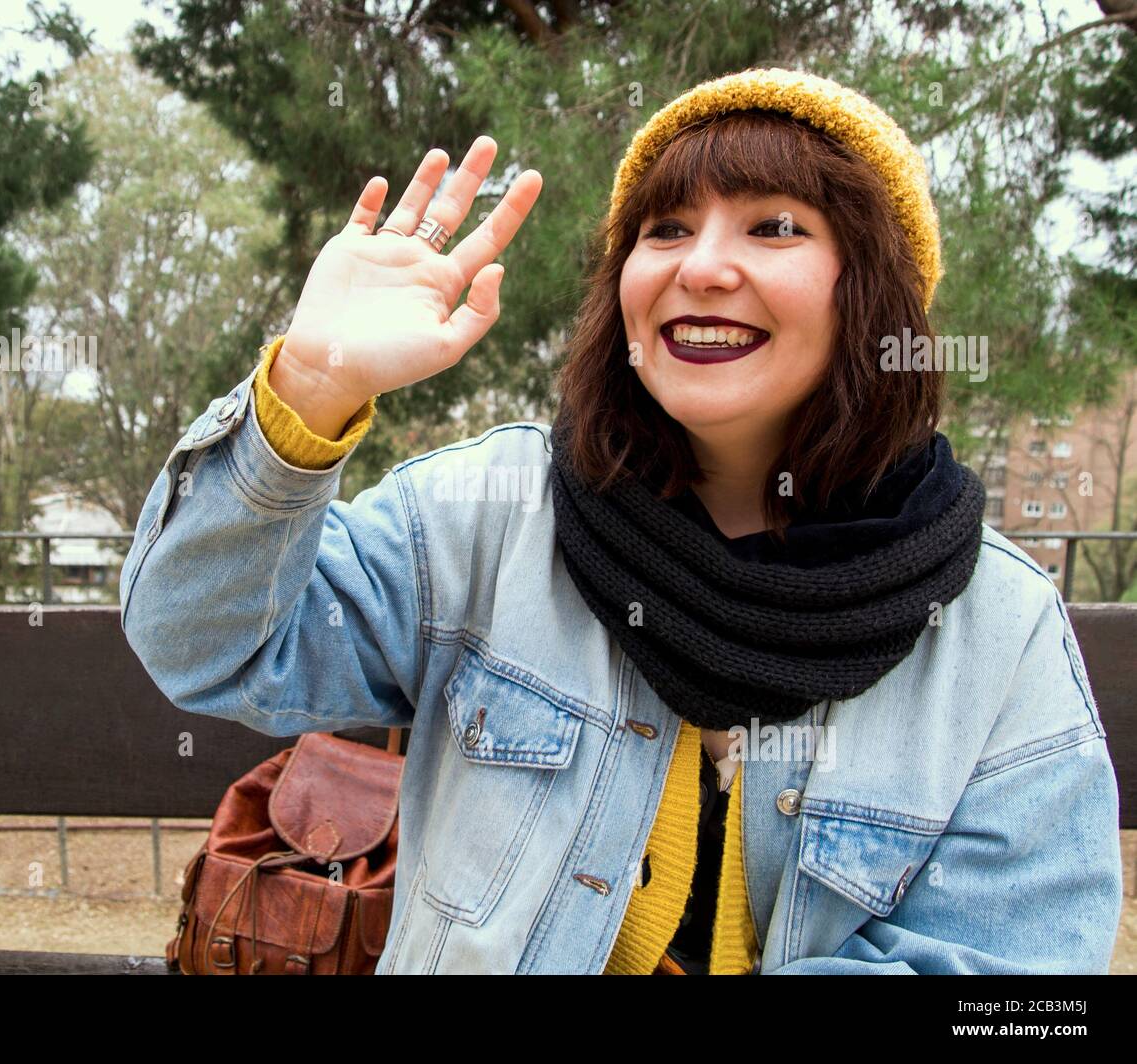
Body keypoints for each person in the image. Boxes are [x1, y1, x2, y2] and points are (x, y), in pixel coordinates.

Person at [120, 67, 1123, 974]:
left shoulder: (996, 623)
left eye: (774, 227)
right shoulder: (489, 515)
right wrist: (309, 384)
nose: (701, 266)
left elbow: (1013, 964)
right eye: (667, 228)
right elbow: (205, 646)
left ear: (875, 294)